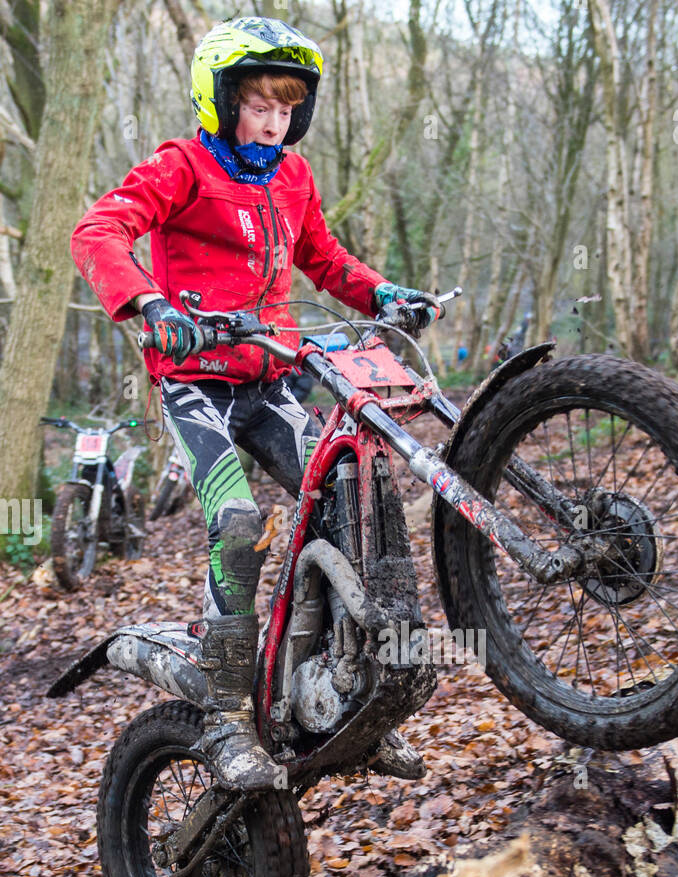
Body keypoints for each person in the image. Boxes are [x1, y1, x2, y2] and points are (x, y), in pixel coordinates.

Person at [70, 15, 437, 792]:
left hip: (271, 380)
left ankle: (349, 704)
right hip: (194, 383)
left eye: (286, 107)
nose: (272, 122)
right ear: (220, 100)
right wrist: (146, 303)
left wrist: (383, 292)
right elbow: (99, 231)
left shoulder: (292, 178)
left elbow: (322, 258)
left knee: (355, 498)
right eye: (257, 105)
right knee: (238, 524)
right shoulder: (181, 167)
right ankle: (228, 719)